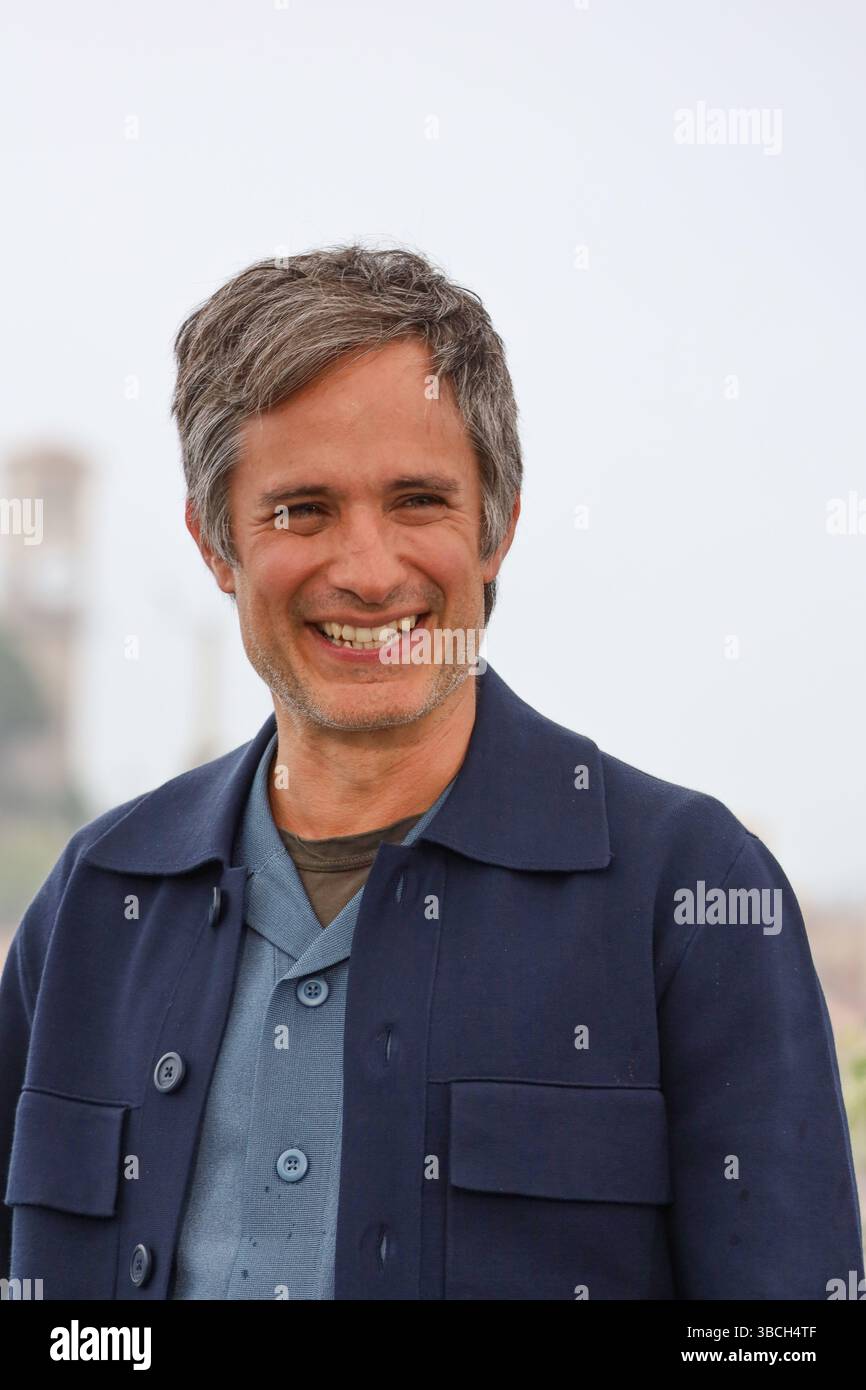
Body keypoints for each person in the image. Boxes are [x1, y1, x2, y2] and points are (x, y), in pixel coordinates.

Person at [1, 246, 862, 1300]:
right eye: (300, 509)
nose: (366, 572)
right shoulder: (96, 899)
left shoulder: (686, 894)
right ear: (215, 544)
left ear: (495, 522)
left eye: (416, 500)